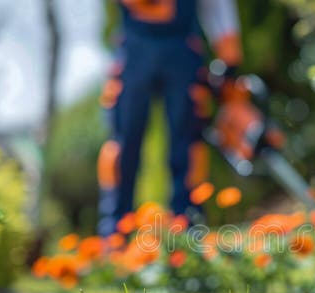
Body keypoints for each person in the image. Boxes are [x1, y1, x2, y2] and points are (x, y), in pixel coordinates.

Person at [97, 0, 243, 236]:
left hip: (182, 49)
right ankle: (114, 236)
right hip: (135, 47)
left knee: (188, 144)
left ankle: (190, 231)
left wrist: (229, 59)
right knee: (123, 143)